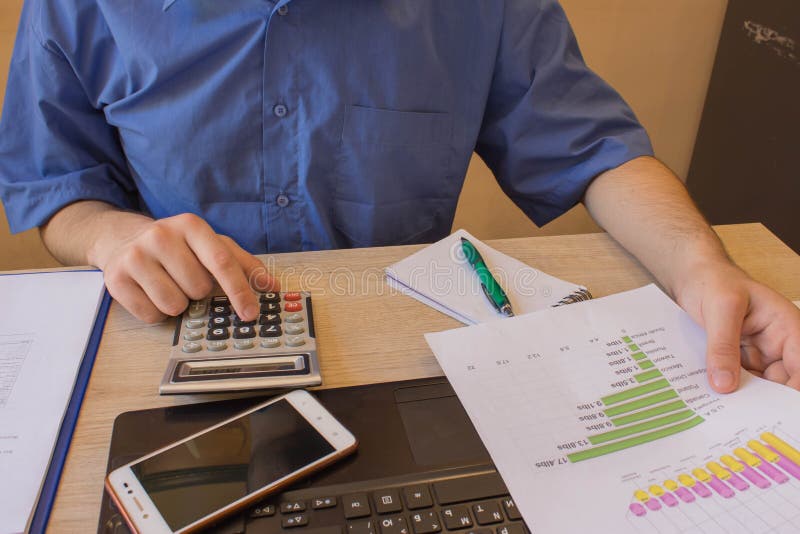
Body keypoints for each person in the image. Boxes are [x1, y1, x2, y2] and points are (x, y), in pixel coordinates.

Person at [1, 0, 798, 393]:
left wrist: (700, 266)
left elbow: (596, 152)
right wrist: (111, 237)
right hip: (173, 351)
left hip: (403, 360)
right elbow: (53, 186)